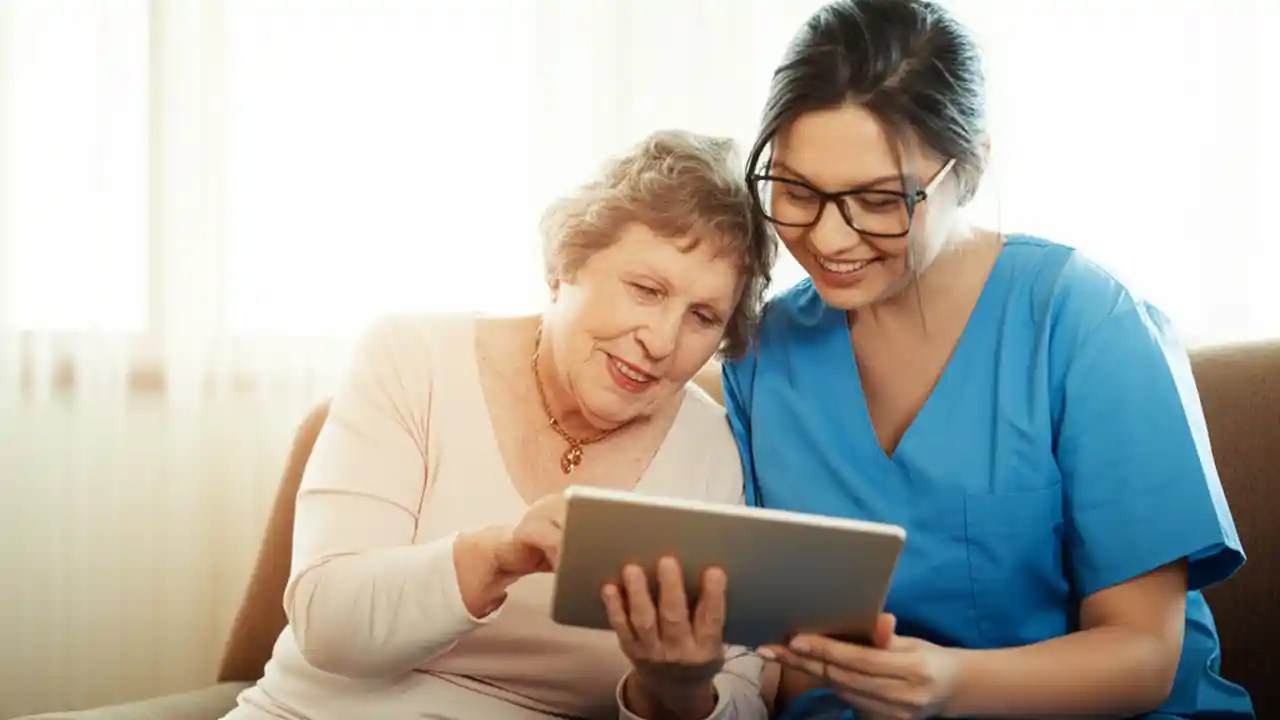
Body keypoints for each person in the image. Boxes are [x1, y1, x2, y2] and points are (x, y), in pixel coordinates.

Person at [720, 1, 1255, 718]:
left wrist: (949, 683)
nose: (828, 238)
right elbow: (769, 656)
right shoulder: (763, 355)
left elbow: (1144, 656)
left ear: (969, 171)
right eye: (795, 191)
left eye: (879, 200)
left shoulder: (1082, 321)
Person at [222, 129, 775, 720]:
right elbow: (328, 622)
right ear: (565, 265)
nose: (662, 341)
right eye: (645, 290)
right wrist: (500, 557)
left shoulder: (711, 448)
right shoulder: (412, 358)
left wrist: (677, 693)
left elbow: (745, 693)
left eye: (702, 316)